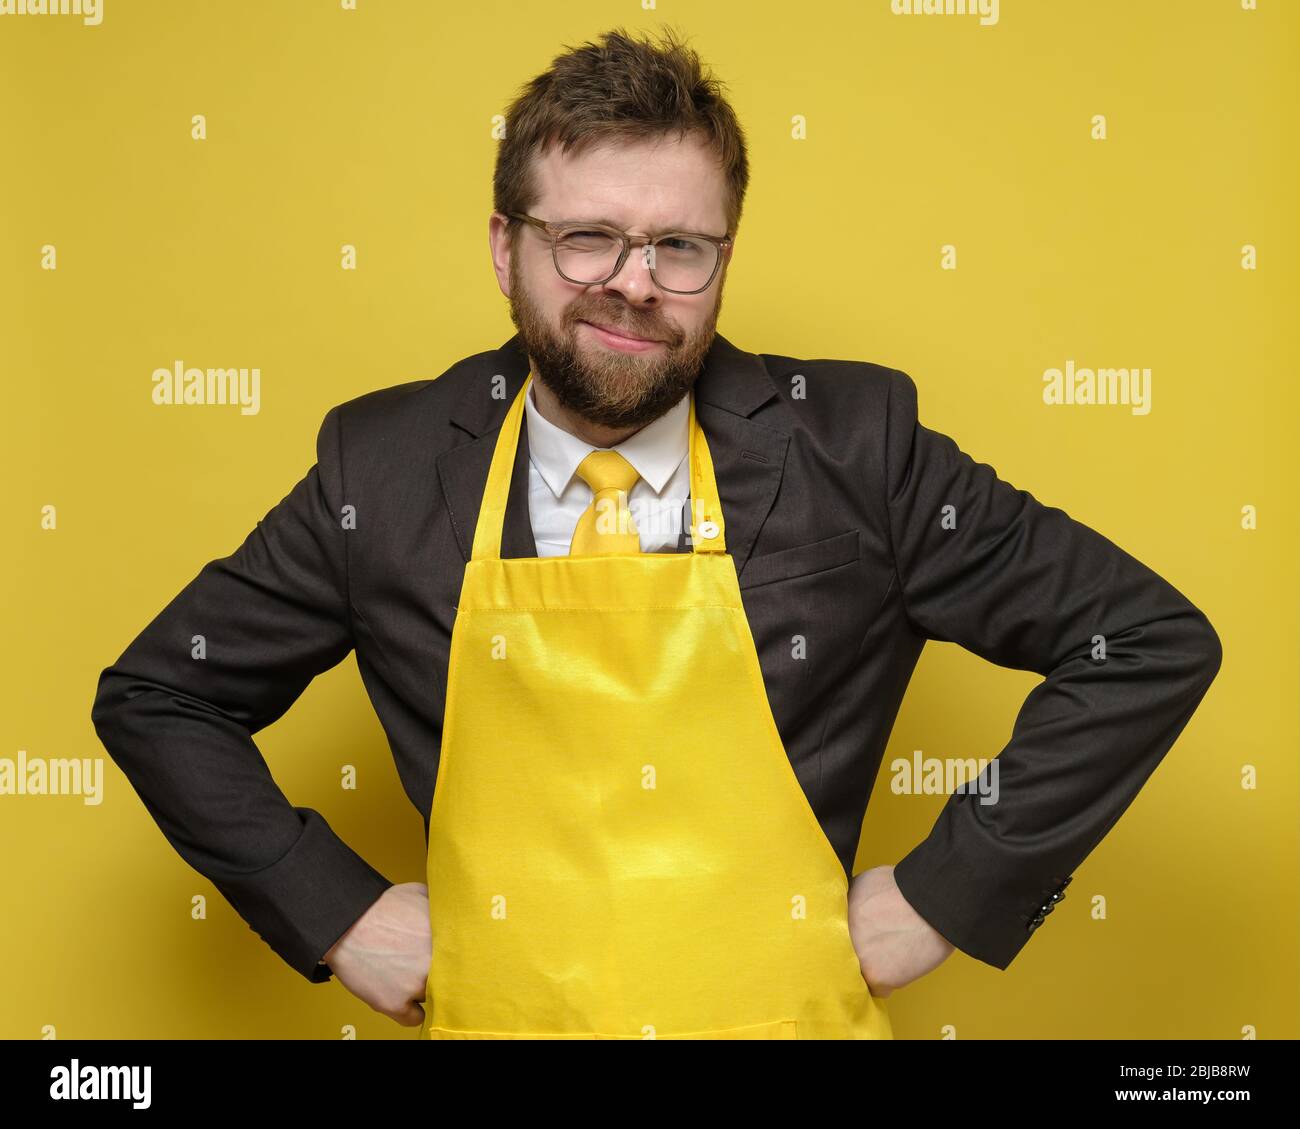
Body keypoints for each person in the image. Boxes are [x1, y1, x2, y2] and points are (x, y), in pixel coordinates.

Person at [91, 26, 1222, 1040]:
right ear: (504, 247)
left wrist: (947, 889)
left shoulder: (855, 449)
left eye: (681, 248)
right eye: (587, 238)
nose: (634, 286)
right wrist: (335, 911)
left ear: (722, 257)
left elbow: (1142, 638)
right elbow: (159, 694)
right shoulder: (379, 468)